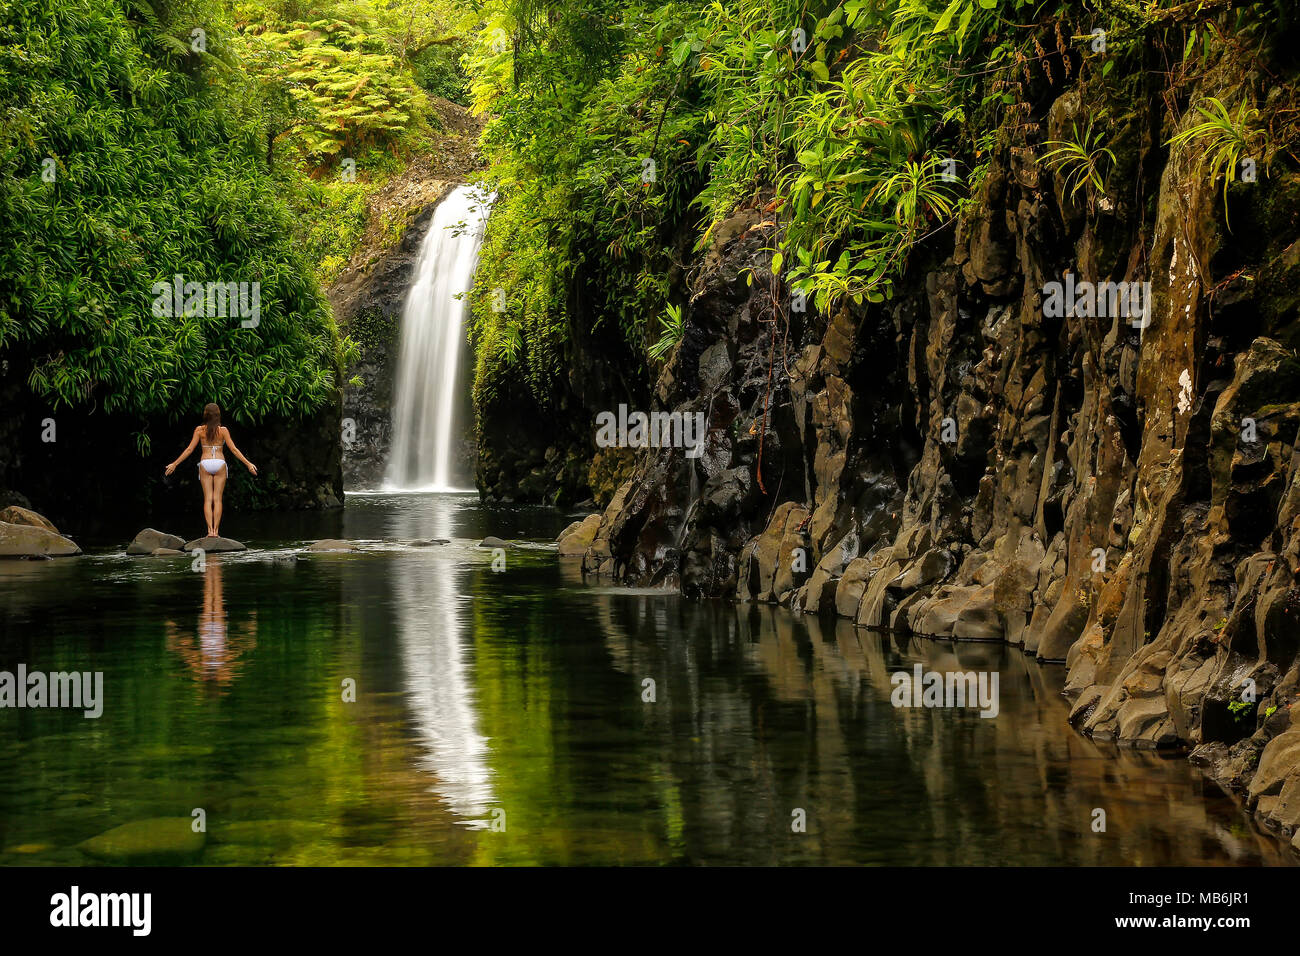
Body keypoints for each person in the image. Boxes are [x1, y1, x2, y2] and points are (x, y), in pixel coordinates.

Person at [165, 403, 257, 538]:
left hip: (205, 463)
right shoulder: (223, 430)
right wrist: (248, 464)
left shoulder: (199, 430)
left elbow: (189, 449)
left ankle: (209, 531)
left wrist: (175, 463)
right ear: (218, 415)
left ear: (205, 415)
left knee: (208, 499)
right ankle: (216, 531)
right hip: (219, 463)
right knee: (217, 499)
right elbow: (234, 450)